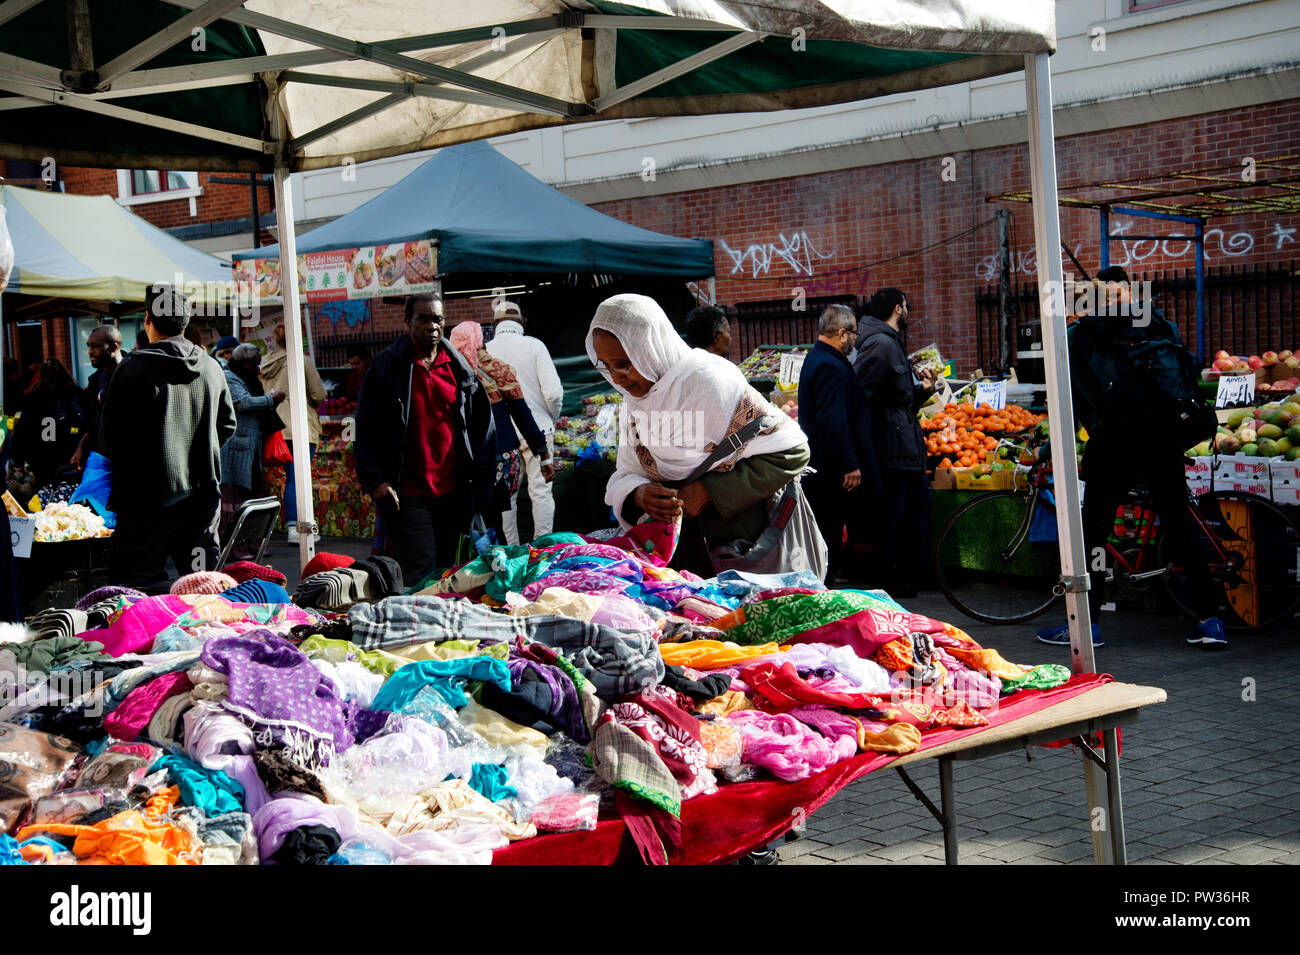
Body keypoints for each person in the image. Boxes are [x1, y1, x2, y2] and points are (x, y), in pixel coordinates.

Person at [1038, 265, 1226, 649]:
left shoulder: (1080, 335)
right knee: (1179, 523)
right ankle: (1210, 621)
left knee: (1093, 530)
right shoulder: (1161, 327)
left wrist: (1047, 448)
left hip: (1114, 443)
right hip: (1164, 439)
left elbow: (1073, 400)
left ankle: (1086, 624)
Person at [588, 293, 810, 579]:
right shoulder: (636, 400)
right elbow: (629, 470)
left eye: (622, 364)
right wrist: (640, 494)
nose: (616, 378)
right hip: (679, 554)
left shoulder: (711, 382)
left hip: (741, 551)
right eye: (605, 365)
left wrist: (710, 492)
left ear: (648, 350)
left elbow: (792, 451)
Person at [99, 284, 236, 593]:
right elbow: (227, 426)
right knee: (206, 590)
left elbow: (109, 440)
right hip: (201, 497)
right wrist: (196, 456)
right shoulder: (211, 368)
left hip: (144, 501)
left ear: (148, 319)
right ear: (185, 323)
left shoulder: (131, 370)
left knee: (134, 590)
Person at [354, 294, 495, 585]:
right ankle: (421, 624)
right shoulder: (386, 367)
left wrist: (483, 485)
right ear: (408, 322)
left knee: (450, 568)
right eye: (424, 319)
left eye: (438, 319)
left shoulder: (460, 370)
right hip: (406, 491)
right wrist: (377, 480)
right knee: (421, 567)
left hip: (454, 491)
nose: (432, 326)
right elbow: (366, 427)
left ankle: (447, 626)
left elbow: (483, 430)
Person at [853, 288, 937, 598]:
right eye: (907, 304)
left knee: (917, 504)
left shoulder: (889, 343)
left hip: (904, 444)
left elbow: (898, 399)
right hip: (892, 446)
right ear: (898, 309)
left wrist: (924, 390)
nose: (909, 310)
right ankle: (887, 577)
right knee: (893, 510)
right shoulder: (880, 345)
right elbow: (863, 396)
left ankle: (917, 572)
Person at [450, 321, 555, 545]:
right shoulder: (498, 369)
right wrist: (542, 452)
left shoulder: (449, 373)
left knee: (484, 517)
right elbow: (522, 414)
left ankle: (492, 556)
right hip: (504, 456)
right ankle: (511, 555)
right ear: (480, 341)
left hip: (469, 460)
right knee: (502, 509)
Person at [798, 304, 880, 584]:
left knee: (828, 534)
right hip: (831, 471)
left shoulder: (817, 358)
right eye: (854, 333)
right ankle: (824, 594)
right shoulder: (829, 365)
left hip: (824, 468)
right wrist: (850, 464)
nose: (856, 340)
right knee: (829, 534)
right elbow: (833, 420)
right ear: (842, 333)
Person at [485, 301, 563, 543]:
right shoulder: (535, 346)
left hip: (502, 435)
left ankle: (510, 552)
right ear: (520, 322)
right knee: (541, 492)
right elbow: (553, 392)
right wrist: (551, 417)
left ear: (496, 323)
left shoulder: (485, 350)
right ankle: (542, 548)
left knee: (506, 497)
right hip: (539, 429)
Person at [259, 323, 327, 543]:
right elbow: (318, 394)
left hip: (275, 426)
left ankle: (288, 527)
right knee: (298, 478)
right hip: (299, 424)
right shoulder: (302, 361)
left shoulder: (264, 364)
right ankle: (296, 528)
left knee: (286, 478)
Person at [220, 343, 286, 559]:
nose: (258, 368)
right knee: (235, 501)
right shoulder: (230, 377)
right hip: (235, 451)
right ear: (246, 363)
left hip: (250, 449)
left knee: (252, 498)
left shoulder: (246, 378)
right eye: (256, 364)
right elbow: (242, 403)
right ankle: (234, 547)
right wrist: (271, 399)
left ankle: (252, 545)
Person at [11, 358, 86, 489]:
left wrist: (18, 461)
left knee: (47, 494)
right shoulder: (75, 392)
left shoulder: (34, 397)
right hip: (70, 455)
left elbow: (22, 431)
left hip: (41, 459)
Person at [70, 325, 124, 468]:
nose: (89, 352)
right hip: (101, 456)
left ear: (113, 347)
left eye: (95, 346)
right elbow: (93, 420)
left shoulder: (131, 373)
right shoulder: (95, 380)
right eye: (88, 346)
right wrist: (81, 447)